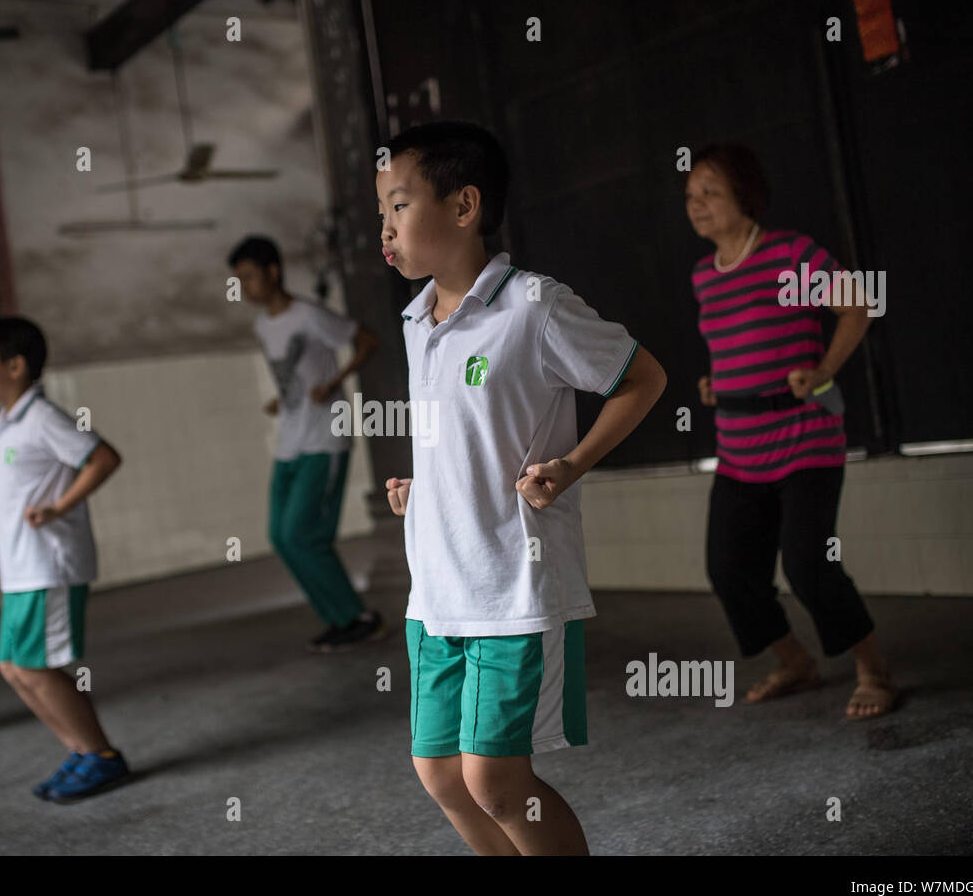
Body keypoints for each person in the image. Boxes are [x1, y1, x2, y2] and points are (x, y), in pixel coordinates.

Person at [378, 120, 666, 855]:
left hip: (511, 587)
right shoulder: (416, 321)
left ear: (465, 205)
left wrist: (572, 465)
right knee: (439, 773)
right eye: (380, 213)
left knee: (496, 782)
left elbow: (643, 379)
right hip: (436, 589)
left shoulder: (532, 306)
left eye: (400, 207)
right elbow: (467, 432)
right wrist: (427, 484)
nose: (385, 229)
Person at [685, 142, 897, 720]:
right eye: (690, 195)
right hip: (739, 447)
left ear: (743, 196)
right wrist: (716, 382)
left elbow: (860, 304)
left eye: (710, 191)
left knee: (808, 562)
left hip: (806, 438)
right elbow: (738, 343)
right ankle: (795, 661)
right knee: (729, 570)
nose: (697, 204)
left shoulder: (790, 254)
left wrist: (825, 370)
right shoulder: (705, 275)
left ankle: (873, 670)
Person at [0, 316, 130, 801]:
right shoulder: (6, 425)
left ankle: (102, 756)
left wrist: (58, 507)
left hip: (48, 565)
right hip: (19, 568)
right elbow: (31, 479)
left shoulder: (42, 417)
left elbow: (103, 458)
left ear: (15, 366)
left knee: (36, 667)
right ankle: (79, 751)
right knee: (12, 667)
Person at [228, 235, 385, 652]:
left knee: (304, 536)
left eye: (248, 277)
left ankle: (360, 617)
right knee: (281, 537)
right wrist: (285, 398)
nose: (244, 287)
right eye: (237, 280)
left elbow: (367, 340)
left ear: (273, 271)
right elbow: (292, 375)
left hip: (324, 439)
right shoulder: (263, 325)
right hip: (289, 442)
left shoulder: (310, 315)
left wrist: (335, 382)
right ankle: (337, 619)